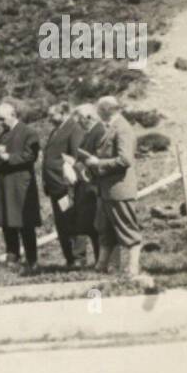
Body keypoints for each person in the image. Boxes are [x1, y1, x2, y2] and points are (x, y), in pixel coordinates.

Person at [79, 95, 144, 280]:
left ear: (107, 110)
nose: (96, 113)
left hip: (119, 189)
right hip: (106, 188)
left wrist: (98, 162)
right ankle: (102, 265)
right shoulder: (110, 127)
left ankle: (133, 268)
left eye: (99, 110)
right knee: (104, 229)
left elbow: (125, 160)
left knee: (127, 228)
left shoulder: (123, 128)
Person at [0, 100, 41, 274]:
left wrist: (7, 157)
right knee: (7, 221)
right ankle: (12, 255)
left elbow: (30, 156)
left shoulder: (28, 132)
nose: (0, 123)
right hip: (3, 183)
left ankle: (32, 259)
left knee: (25, 222)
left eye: (2, 119)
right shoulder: (3, 135)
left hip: (19, 184)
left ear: (12, 115)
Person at [41, 102, 86, 268]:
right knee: (62, 223)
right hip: (54, 186)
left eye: (53, 115)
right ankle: (69, 258)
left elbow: (76, 157)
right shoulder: (56, 130)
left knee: (72, 219)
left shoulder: (74, 129)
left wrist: (69, 180)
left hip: (65, 184)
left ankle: (78, 257)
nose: (50, 119)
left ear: (64, 113)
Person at [71, 104, 106, 263]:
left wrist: (84, 165)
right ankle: (99, 260)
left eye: (80, 119)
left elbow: (100, 157)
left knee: (98, 225)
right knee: (91, 224)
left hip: (94, 183)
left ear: (89, 117)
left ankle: (102, 260)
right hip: (86, 183)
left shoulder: (99, 131)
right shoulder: (89, 133)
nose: (78, 123)